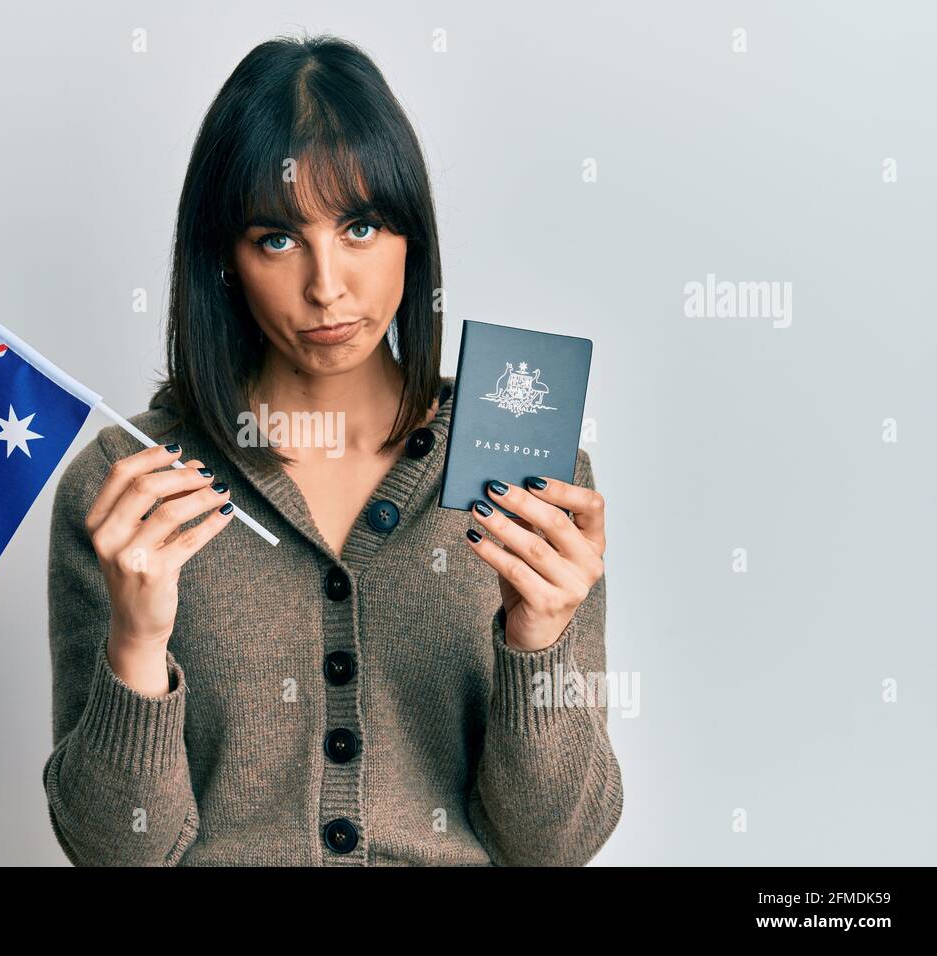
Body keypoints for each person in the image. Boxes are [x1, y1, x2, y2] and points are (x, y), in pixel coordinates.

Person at [42, 33, 621, 866]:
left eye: (360, 226)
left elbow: (552, 846)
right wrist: (135, 647)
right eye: (277, 238)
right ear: (225, 262)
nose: (326, 285)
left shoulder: (533, 472)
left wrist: (538, 642)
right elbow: (114, 854)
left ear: (412, 237)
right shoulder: (126, 487)